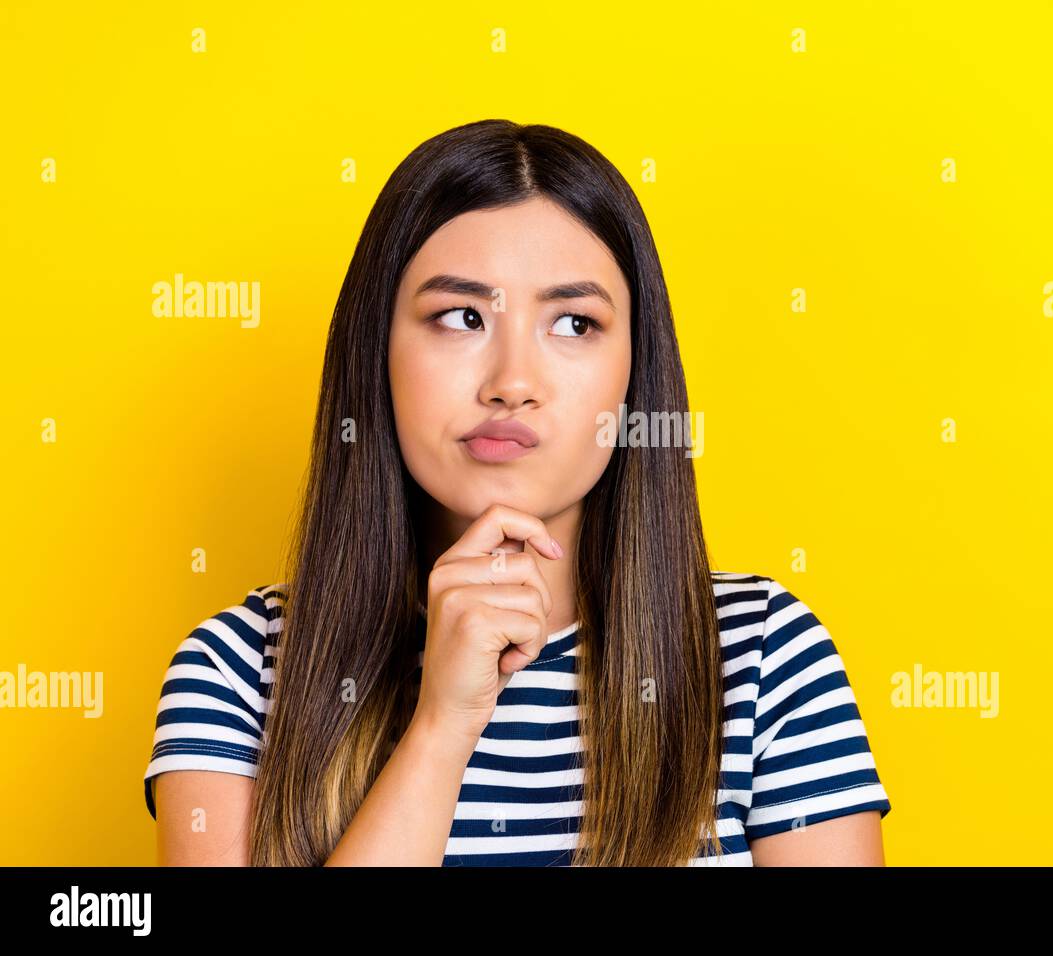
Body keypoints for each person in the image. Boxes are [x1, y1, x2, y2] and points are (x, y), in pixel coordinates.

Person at [143, 119, 891, 866]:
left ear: (635, 372)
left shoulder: (764, 659)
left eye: (573, 323)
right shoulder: (238, 674)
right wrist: (442, 725)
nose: (513, 384)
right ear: (378, 353)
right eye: (462, 317)